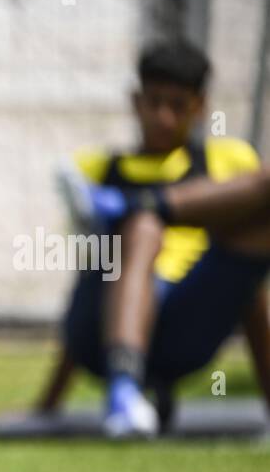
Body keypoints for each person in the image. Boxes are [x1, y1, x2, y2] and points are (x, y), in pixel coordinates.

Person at [41, 40, 267, 436]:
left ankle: (137, 203)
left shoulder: (228, 161)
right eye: (154, 102)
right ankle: (123, 391)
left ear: (199, 107)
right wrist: (48, 404)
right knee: (141, 230)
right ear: (136, 100)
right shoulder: (95, 167)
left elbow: (248, 282)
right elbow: (89, 274)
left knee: (257, 231)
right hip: (97, 335)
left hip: (183, 331)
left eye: (178, 105)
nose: (163, 117)